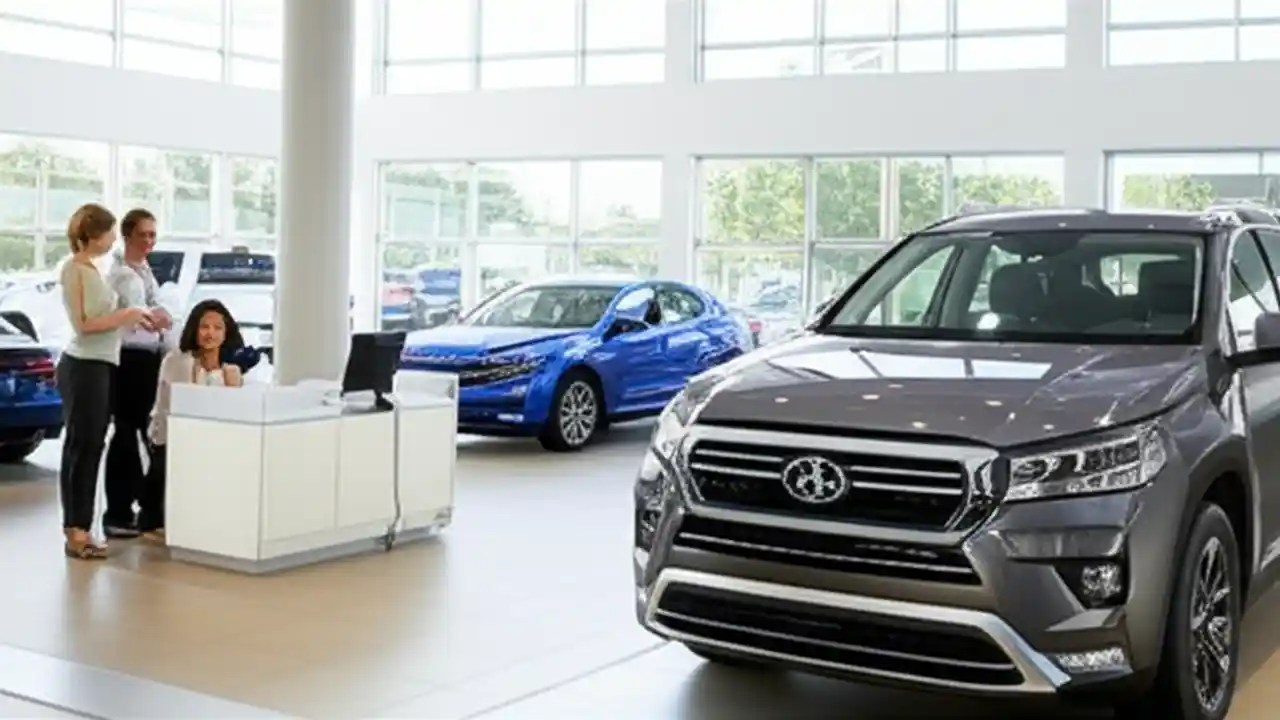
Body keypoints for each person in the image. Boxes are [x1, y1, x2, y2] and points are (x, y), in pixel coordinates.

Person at [58, 204, 154, 560]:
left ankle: (78, 527)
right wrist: (125, 314)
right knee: (84, 448)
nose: (114, 238)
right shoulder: (74, 269)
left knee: (88, 446)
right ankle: (77, 530)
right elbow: (83, 324)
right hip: (84, 365)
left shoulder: (92, 270)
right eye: (111, 231)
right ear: (94, 233)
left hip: (100, 364)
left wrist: (133, 317)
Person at [143, 299, 245, 539]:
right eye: (204, 327)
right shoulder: (177, 361)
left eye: (218, 328)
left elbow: (233, 411)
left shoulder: (231, 370)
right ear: (194, 329)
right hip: (173, 439)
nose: (210, 333)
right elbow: (183, 406)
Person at [103, 208, 173, 539]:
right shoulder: (120, 274)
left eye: (152, 235)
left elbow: (157, 311)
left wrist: (160, 318)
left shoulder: (144, 271)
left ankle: (146, 507)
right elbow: (136, 317)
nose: (148, 241)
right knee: (127, 433)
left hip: (149, 359)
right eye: (143, 234)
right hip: (128, 360)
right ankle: (118, 511)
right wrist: (154, 318)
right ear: (127, 235)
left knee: (144, 433)